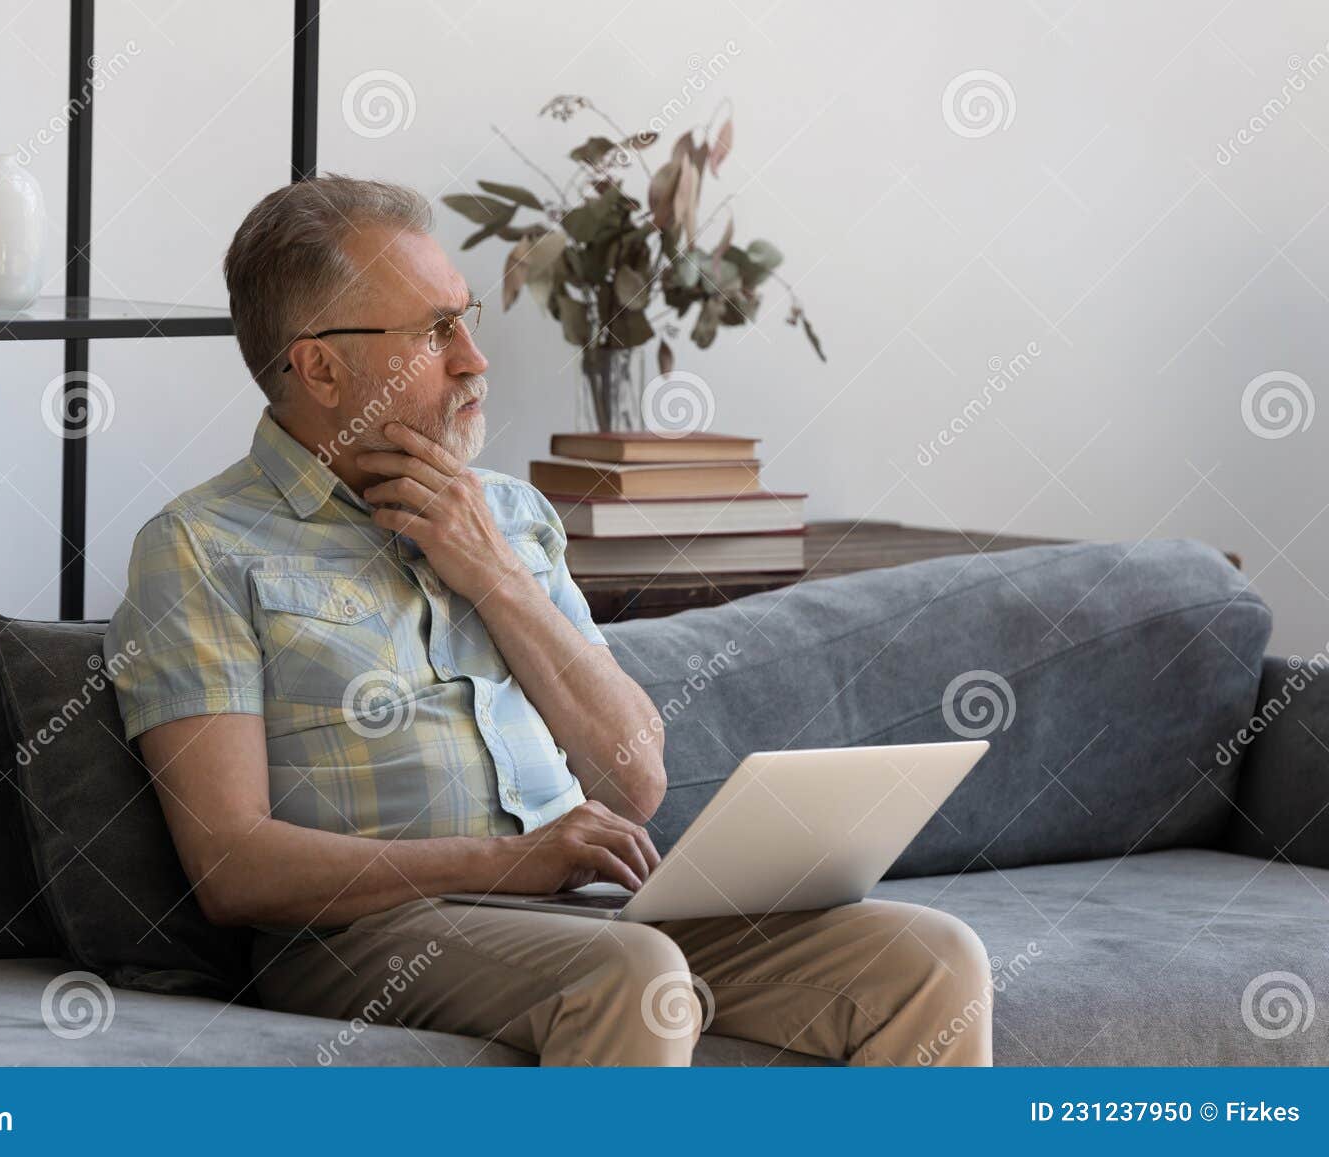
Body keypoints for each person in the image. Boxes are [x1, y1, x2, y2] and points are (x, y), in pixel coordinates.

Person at [104, 175, 993, 1066]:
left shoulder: (511, 517)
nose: (475, 361)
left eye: (466, 317)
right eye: (434, 332)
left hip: (578, 916)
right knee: (636, 972)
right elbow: (232, 865)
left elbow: (632, 779)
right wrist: (511, 863)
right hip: (370, 935)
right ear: (322, 368)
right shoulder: (198, 549)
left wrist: (492, 570)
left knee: (928, 959)